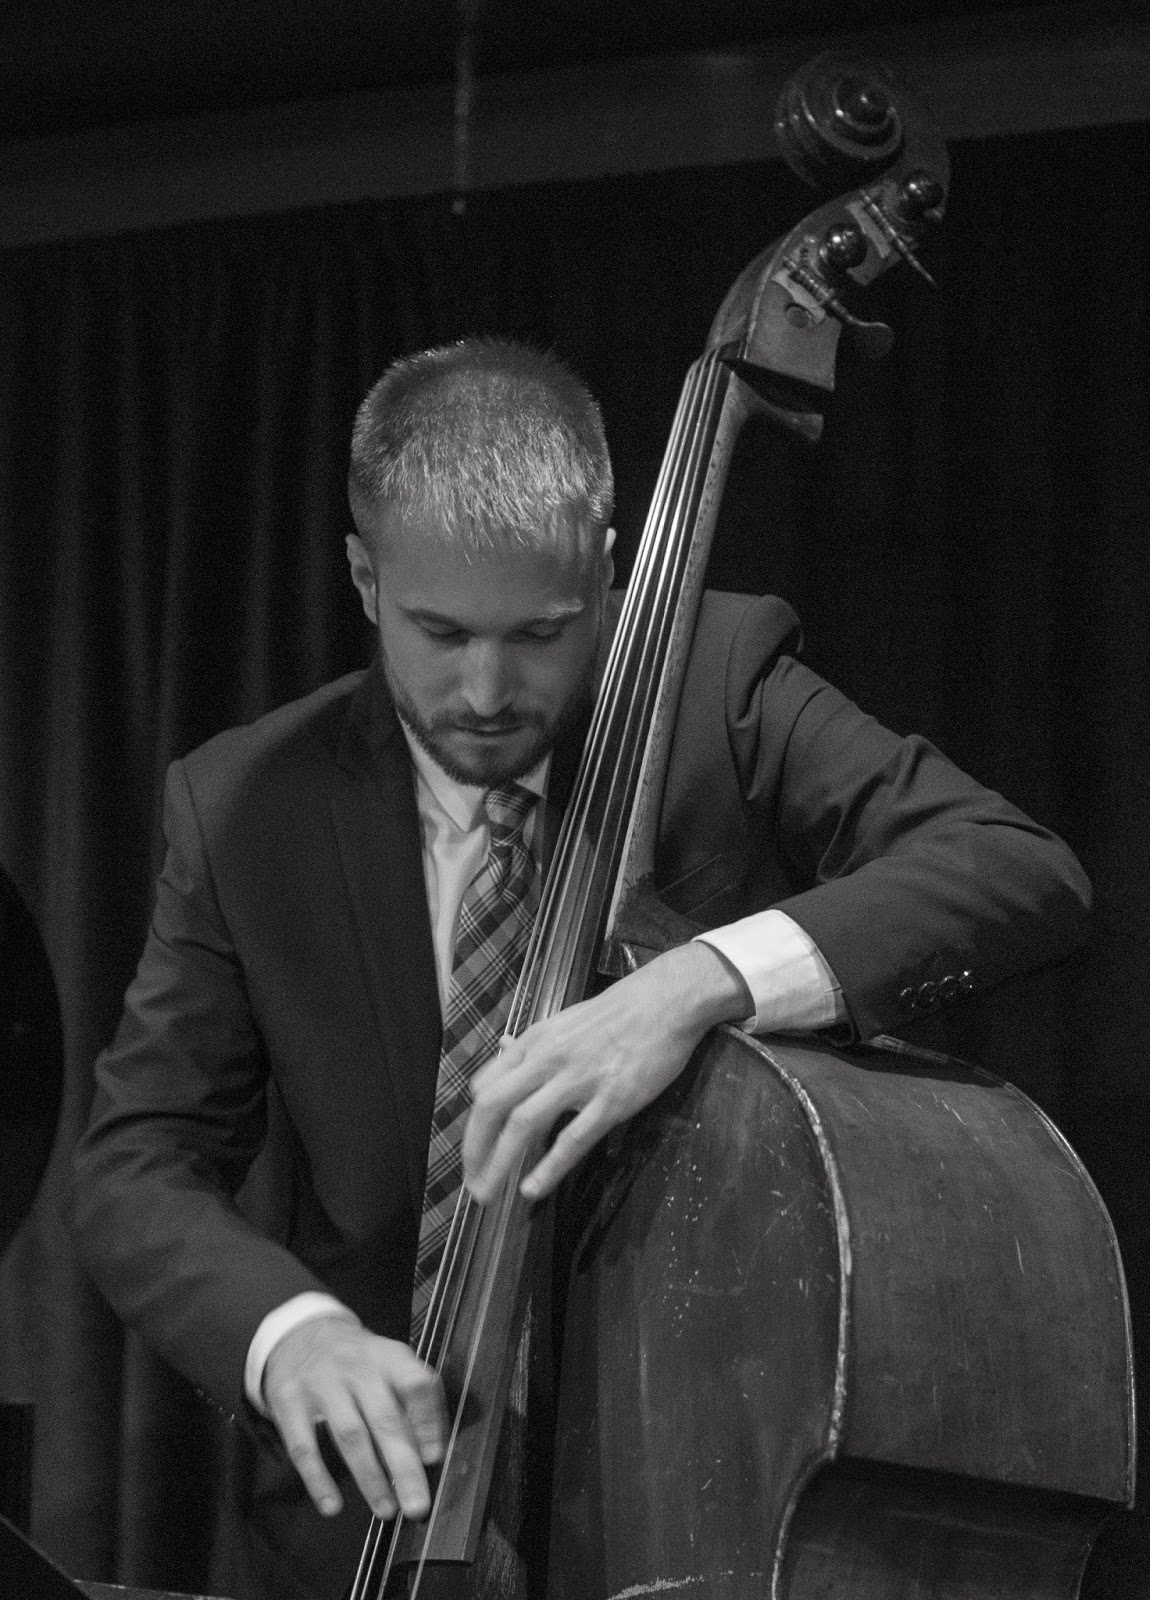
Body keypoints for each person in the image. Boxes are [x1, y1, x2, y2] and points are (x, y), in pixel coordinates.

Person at [72, 338, 1092, 1599]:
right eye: (438, 632)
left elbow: (1014, 867)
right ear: (360, 575)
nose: (488, 689)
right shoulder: (240, 804)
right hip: (365, 1534)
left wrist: (694, 982)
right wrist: (291, 1337)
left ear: (610, 573)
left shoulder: (718, 684)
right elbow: (136, 1165)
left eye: (544, 634)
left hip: (696, 1488)